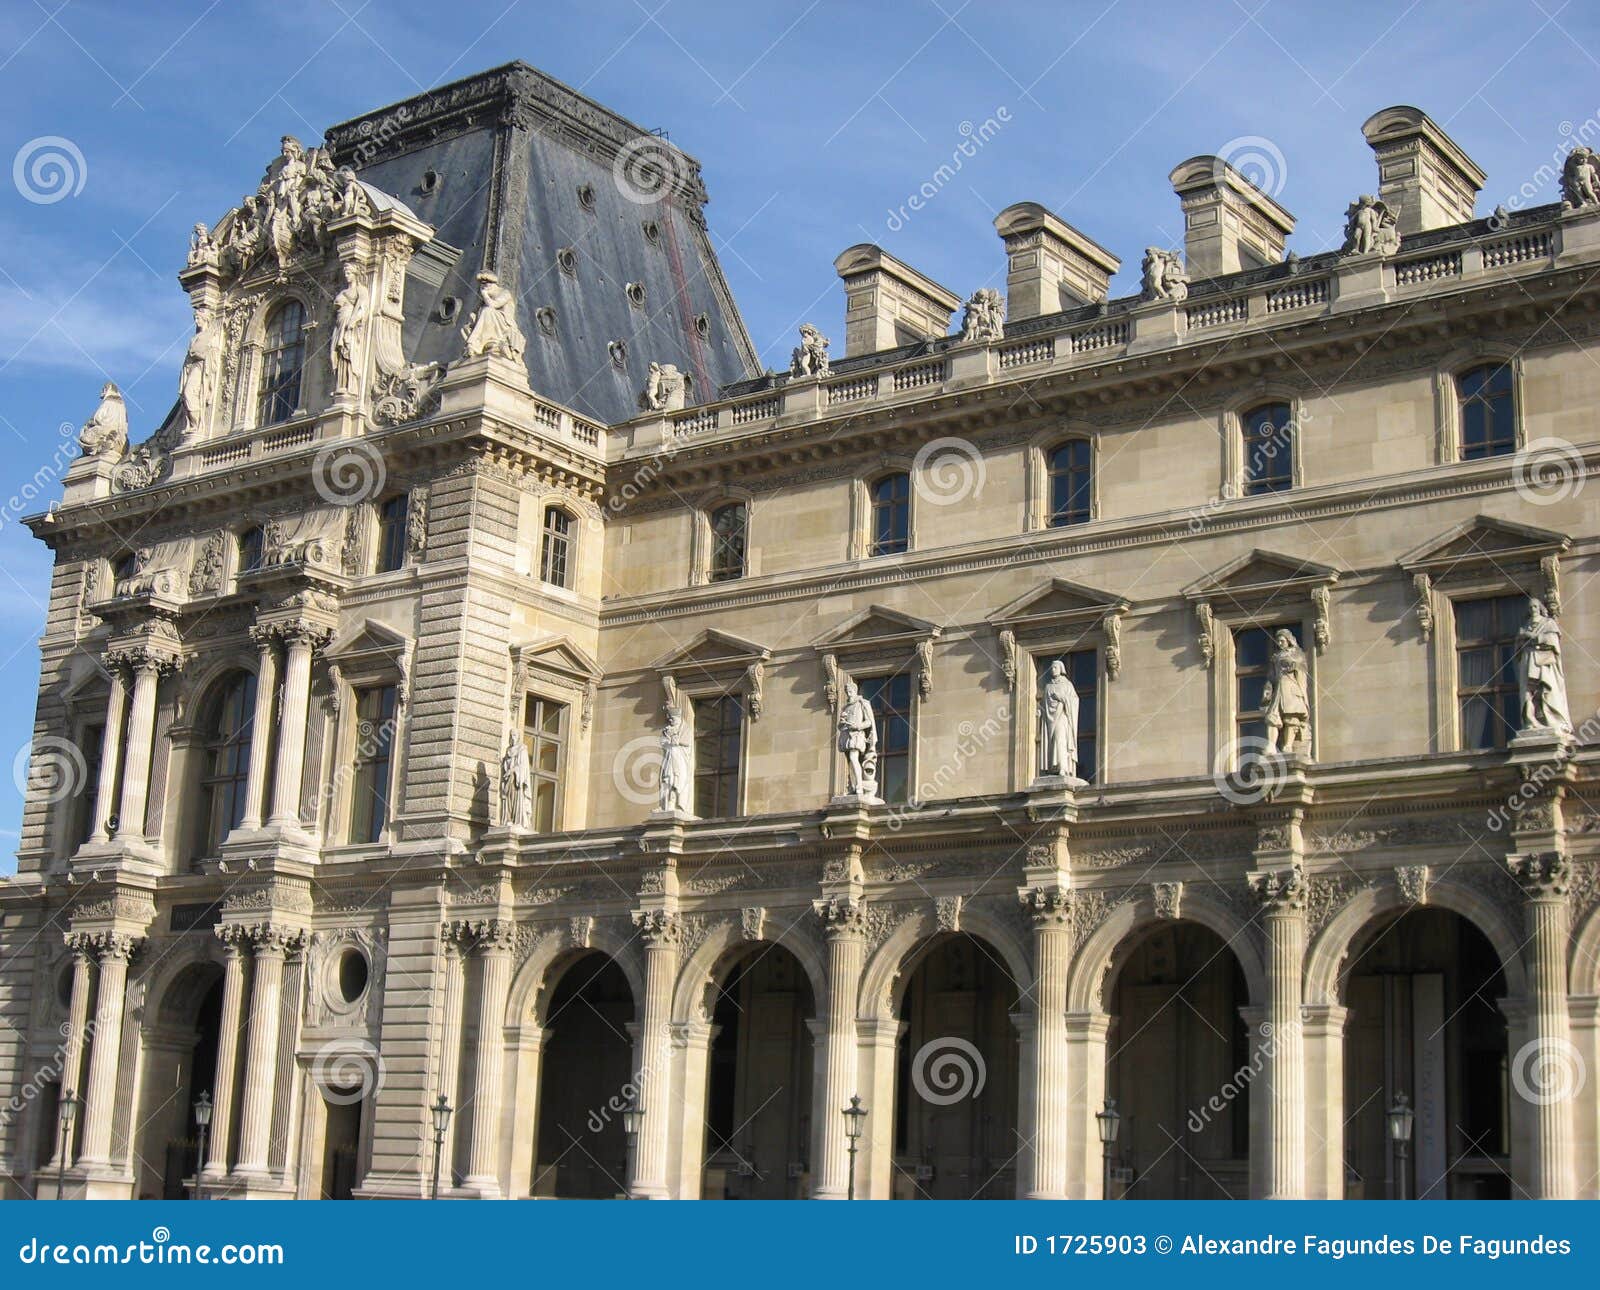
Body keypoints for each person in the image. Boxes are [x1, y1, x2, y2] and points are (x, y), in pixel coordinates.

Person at [1518, 598, 1572, 735]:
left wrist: (1531, 637)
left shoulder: (1549, 623)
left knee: (1546, 689)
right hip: (1528, 660)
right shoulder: (1525, 626)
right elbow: (1518, 647)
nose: (1533, 609)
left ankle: (1551, 721)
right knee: (1529, 693)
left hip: (1544, 662)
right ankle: (1531, 721)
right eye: (1530, 607)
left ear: (1540, 608)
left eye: (1535, 607)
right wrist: (1522, 639)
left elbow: (1553, 641)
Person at [1262, 629, 1310, 755]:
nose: (1280, 643)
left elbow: (1301, 669)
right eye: (1278, 641)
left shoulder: (1297, 654)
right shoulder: (1276, 657)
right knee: (1272, 717)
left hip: (1291, 688)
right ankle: (1271, 746)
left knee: (1291, 717)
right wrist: (1268, 688)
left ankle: (1288, 745)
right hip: (1279, 688)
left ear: (1288, 640)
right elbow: (1271, 676)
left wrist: (1291, 664)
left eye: (1282, 640)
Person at [1037, 660, 1080, 780]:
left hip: (1062, 717)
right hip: (1049, 720)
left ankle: (1063, 767)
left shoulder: (1067, 685)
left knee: (1060, 740)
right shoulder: (1048, 687)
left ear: (1061, 669)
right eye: (1051, 667)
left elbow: (1074, 701)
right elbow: (1044, 704)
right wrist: (1040, 711)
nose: (1052, 669)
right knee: (1052, 742)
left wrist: (1063, 699)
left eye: (1055, 667)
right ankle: (1054, 767)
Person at [836, 679, 878, 797]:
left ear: (855, 690)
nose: (848, 693)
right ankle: (853, 787)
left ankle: (859, 785)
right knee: (849, 762)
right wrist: (842, 723)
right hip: (846, 736)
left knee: (853, 758)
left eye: (850, 691)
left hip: (857, 735)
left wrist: (858, 726)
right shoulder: (845, 708)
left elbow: (869, 721)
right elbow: (840, 726)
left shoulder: (862, 703)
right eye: (847, 691)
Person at [658, 706, 693, 813]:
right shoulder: (667, 730)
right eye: (669, 719)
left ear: (678, 718)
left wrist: (676, 741)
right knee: (667, 780)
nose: (670, 721)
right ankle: (665, 804)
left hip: (679, 760)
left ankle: (673, 804)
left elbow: (686, 742)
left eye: (672, 719)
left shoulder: (685, 729)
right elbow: (663, 742)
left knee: (676, 781)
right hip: (669, 758)